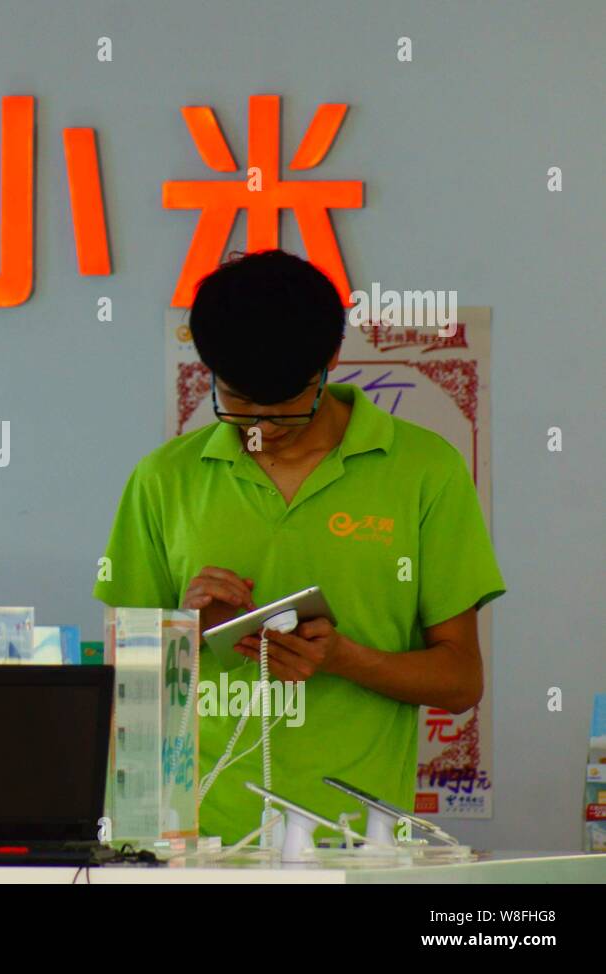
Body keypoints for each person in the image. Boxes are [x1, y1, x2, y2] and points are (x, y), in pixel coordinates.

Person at [93, 249, 505, 845]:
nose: (261, 423)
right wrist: (187, 629)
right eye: (237, 400)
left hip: (360, 848)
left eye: (286, 404)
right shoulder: (163, 479)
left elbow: (461, 681)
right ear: (207, 368)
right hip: (194, 846)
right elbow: (119, 686)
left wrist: (342, 658)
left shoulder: (424, 470)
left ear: (332, 358)